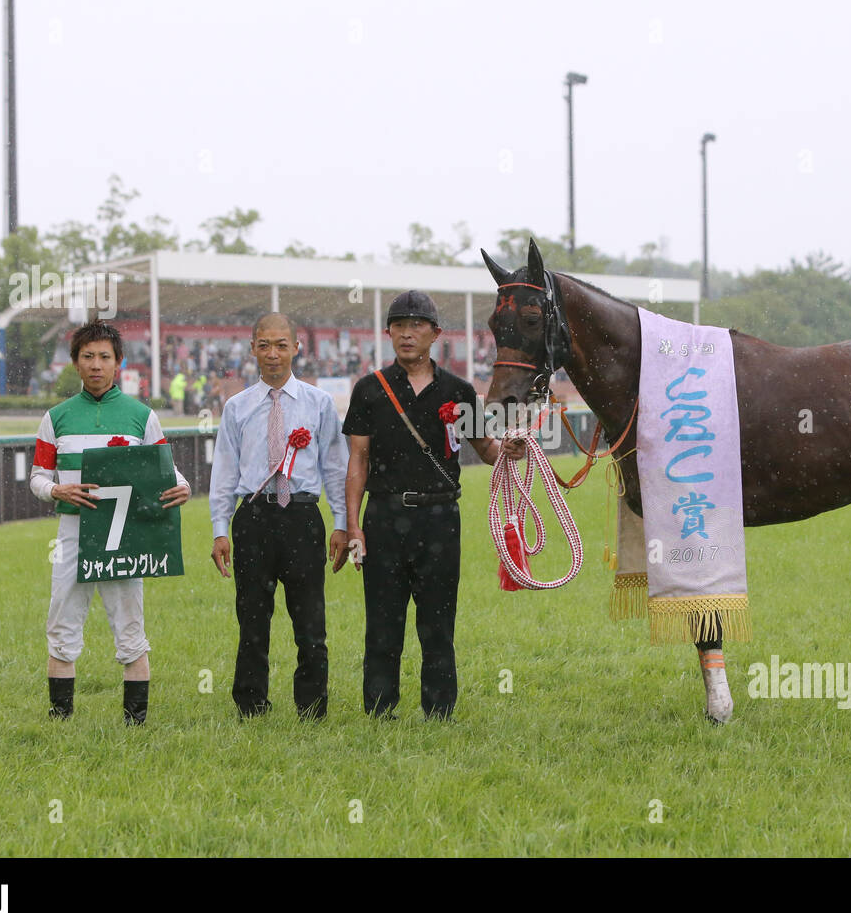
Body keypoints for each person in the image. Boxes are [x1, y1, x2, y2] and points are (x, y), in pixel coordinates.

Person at [336, 291, 523, 720]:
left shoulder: (457, 391)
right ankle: (380, 710)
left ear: (435, 334)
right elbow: (358, 461)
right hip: (383, 517)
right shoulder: (369, 389)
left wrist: (510, 448)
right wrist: (354, 526)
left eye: (417, 325)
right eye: (399, 325)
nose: (407, 333)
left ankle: (439, 710)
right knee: (383, 622)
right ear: (388, 333)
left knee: (438, 623)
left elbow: (487, 448)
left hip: (440, 518)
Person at [29, 321, 191, 724]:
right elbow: (37, 477)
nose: (96, 365)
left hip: (126, 539)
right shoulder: (56, 418)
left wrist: (184, 486)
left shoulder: (141, 416)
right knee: (62, 623)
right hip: (72, 535)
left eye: (104, 357)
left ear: (118, 362)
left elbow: (167, 470)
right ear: (75, 363)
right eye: (88, 357)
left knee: (130, 627)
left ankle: (135, 725)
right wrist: (56, 491)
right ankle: (59, 721)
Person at [209, 312, 349, 719]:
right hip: (253, 518)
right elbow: (224, 473)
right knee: (252, 619)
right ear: (252, 348)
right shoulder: (236, 408)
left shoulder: (319, 404)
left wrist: (340, 522)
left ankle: (312, 706)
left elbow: (335, 469)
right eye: (265, 345)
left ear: (296, 348)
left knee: (310, 622)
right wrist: (221, 530)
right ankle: (251, 705)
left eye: (281, 345)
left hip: (303, 518)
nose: (273, 354)